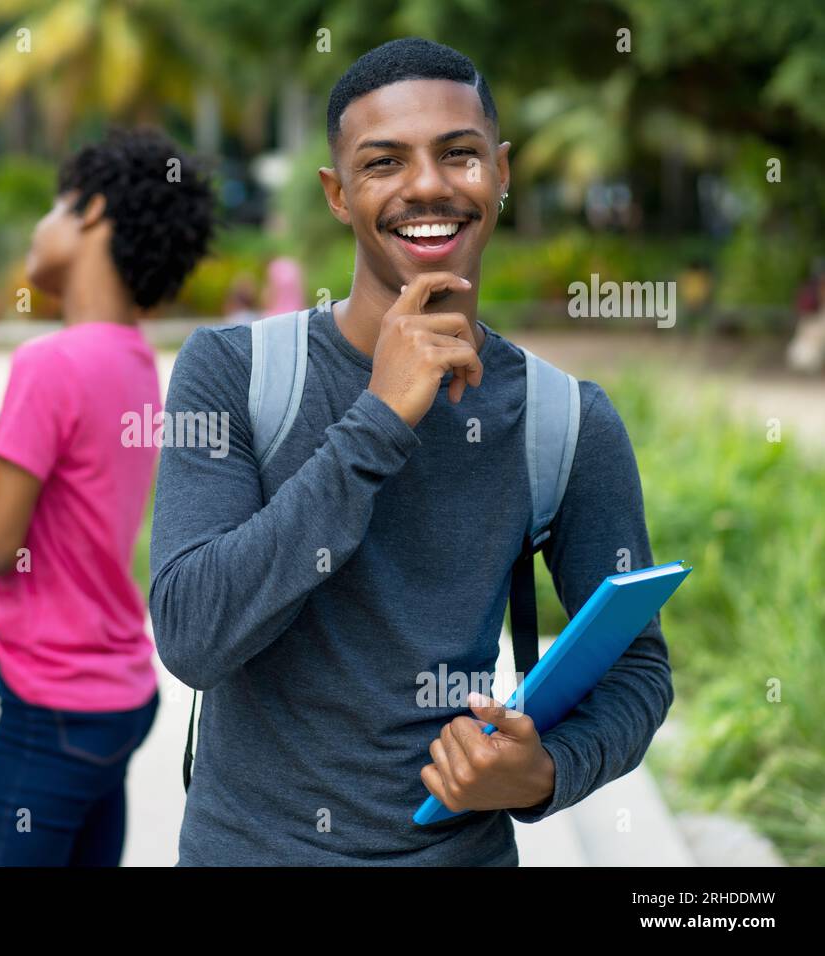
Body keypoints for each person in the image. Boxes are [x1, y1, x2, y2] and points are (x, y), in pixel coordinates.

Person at [149, 38, 675, 865]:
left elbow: (637, 670)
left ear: (501, 173)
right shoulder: (232, 374)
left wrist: (545, 772)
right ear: (338, 192)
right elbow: (192, 637)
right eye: (384, 162)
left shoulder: (565, 418)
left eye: (459, 154)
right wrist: (379, 420)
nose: (427, 185)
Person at [0, 127, 216, 866]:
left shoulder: (49, 361)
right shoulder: (135, 362)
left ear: (92, 212)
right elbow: (79, 501)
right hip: (117, 693)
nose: (40, 226)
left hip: (52, 703)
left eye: (53, 206)